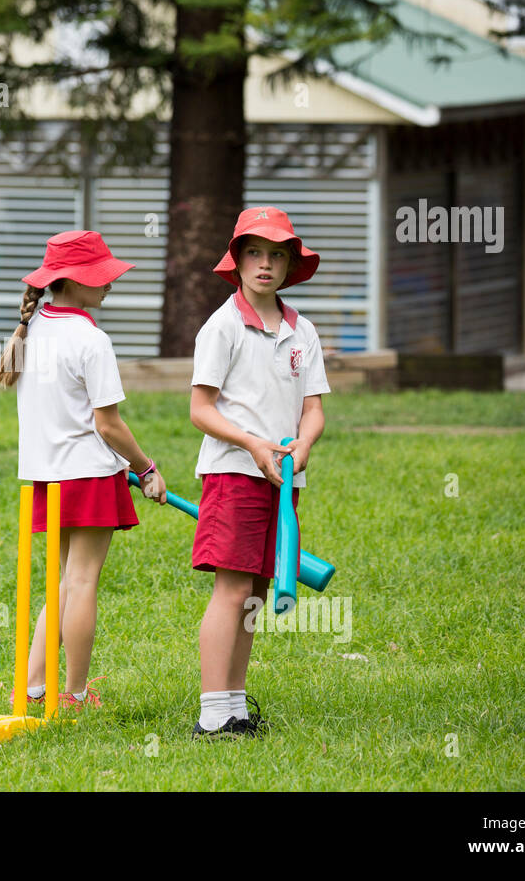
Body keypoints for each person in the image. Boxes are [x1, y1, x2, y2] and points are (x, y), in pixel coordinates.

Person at [0, 229, 167, 711]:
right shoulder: (91, 338)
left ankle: (31, 688)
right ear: (71, 280)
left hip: (49, 477)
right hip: (88, 476)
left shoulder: (36, 329)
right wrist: (146, 467)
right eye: (100, 277)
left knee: (63, 581)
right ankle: (73, 692)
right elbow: (108, 424)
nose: (109, 284)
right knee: (82, 581)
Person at [189, 206, 329, 739]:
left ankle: (234, 708)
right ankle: (210, 714)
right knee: (231, 589)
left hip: (282, 477)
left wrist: (305, 443)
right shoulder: (222, 327)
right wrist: (250, 443)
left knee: (255, 593)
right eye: (255, 253)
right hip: (233, 473)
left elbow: (313, 408)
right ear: (237, 260)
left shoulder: (302, 330)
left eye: (276, 255)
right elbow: (201, 410)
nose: (265, 264)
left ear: (290, 265)